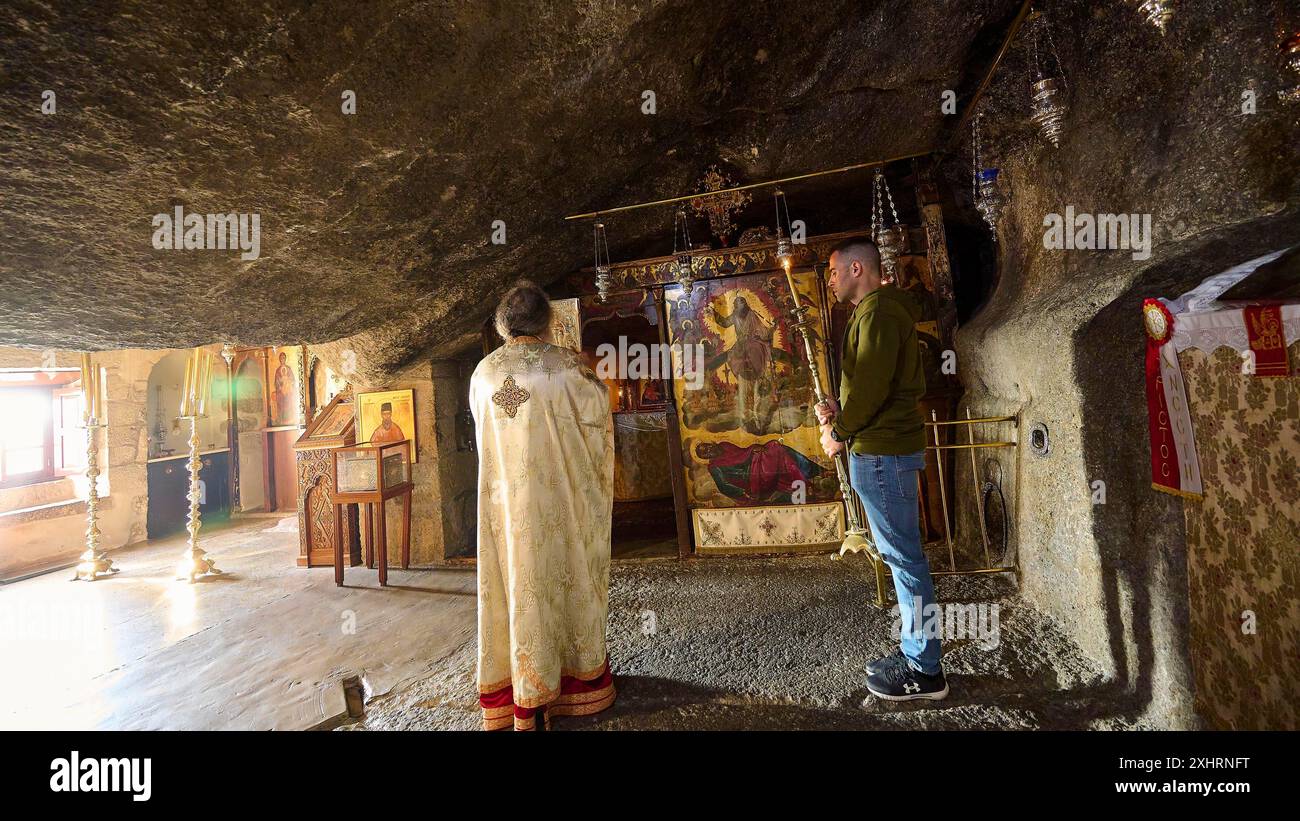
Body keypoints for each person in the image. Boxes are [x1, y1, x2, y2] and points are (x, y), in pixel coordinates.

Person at [469, 280, 616, 730]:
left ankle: (519, 694)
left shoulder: (484, 374)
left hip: (507, 509)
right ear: (546, 321)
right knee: (566, 580)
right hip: (562, 505)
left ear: (503, 324)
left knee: (513, 588)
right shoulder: (568, 368)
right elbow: (598, 419)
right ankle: (573, 683)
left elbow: (484, 435)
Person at [816, 236, 947, 701]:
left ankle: (925, 671)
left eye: (833, 271)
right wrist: (841, 406)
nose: (829, 280)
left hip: (881, 453)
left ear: (856, 269)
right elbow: (873, 381)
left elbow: (871, 389)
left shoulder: (877, 312)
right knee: (902, 558)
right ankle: (917, 653)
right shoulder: (879, 313)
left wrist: (840, 430)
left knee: (905, 561)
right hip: (881, 449)